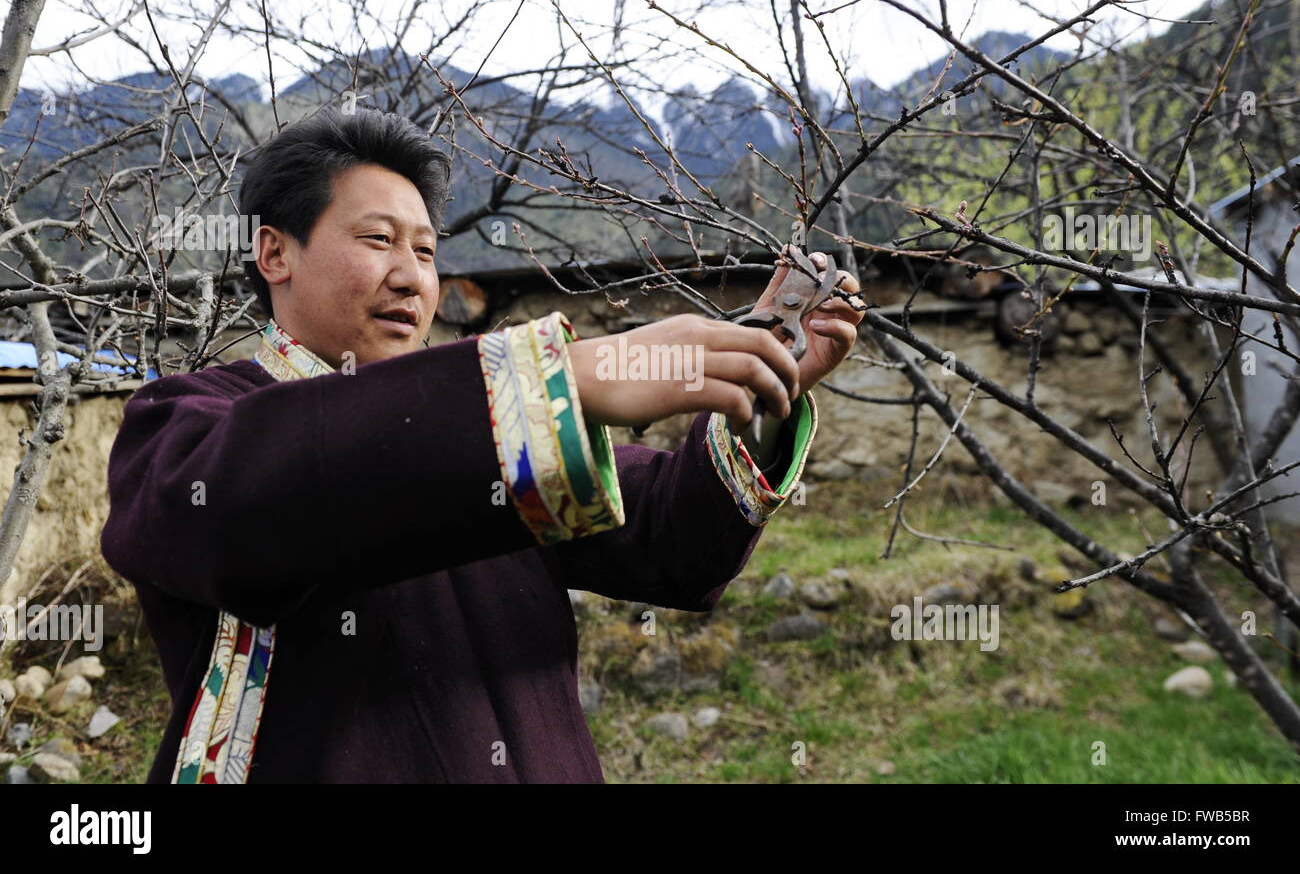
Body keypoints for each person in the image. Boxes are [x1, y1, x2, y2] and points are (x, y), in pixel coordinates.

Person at [100, 106, 864, 783]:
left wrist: (768, 383)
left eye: (428, 253)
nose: (412, 278)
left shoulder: (507, 431)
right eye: (378, 240)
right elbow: (244, 507)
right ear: (274, 254)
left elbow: (672, 533)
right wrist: (563, 379)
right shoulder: (186, 421)